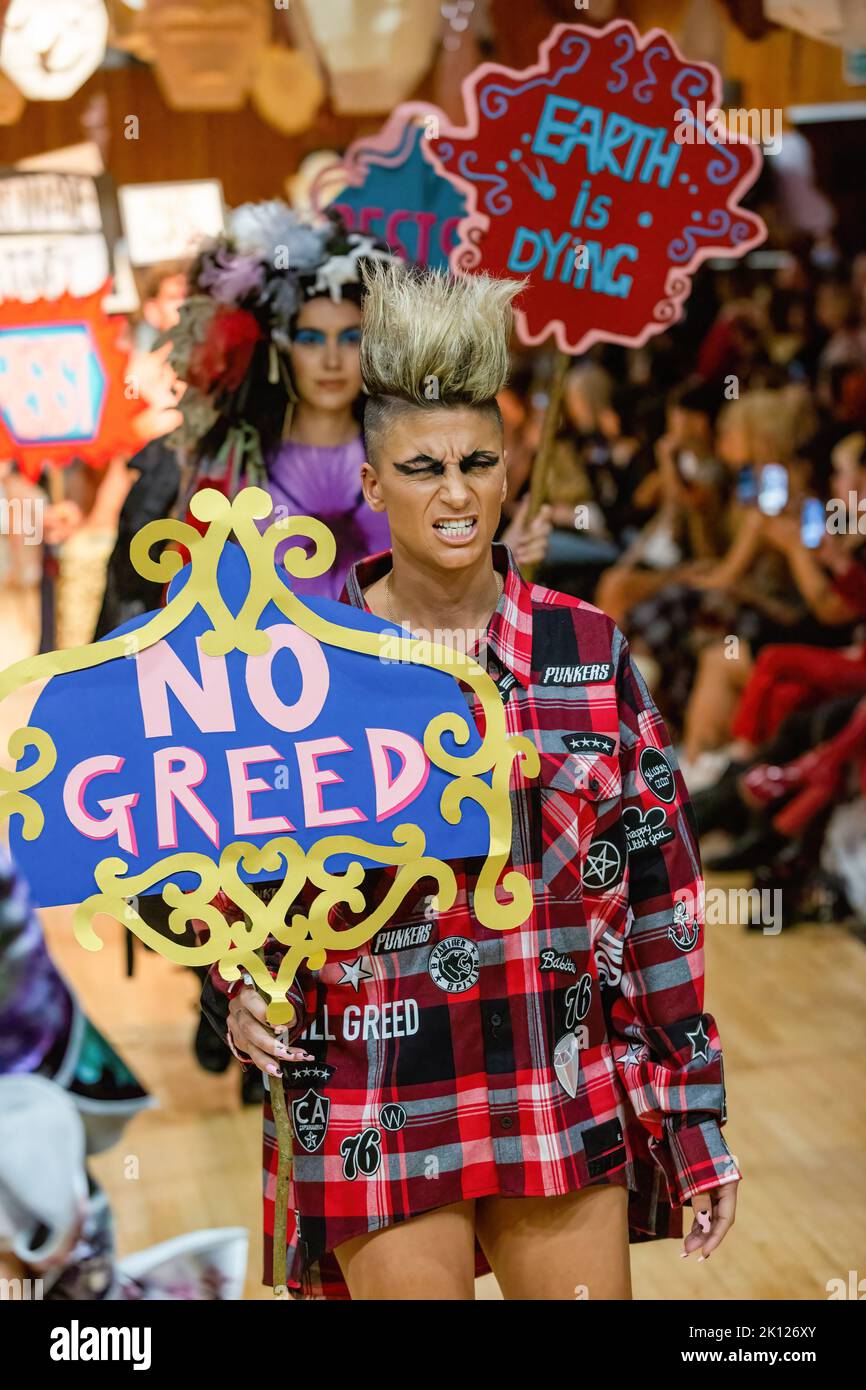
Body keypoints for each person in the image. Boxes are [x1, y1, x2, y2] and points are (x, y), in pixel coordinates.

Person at [200, 263, 741, 1301]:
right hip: (366, 1078)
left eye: (476, 462)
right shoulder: (301, 665)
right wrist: (238, 985)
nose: (453, 491)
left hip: (553, 1064)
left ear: (507, 470)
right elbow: (234, 867)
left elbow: (662, 894)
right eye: (421, 467)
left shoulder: (583, 647)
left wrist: (691, 1107)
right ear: (370, 484)